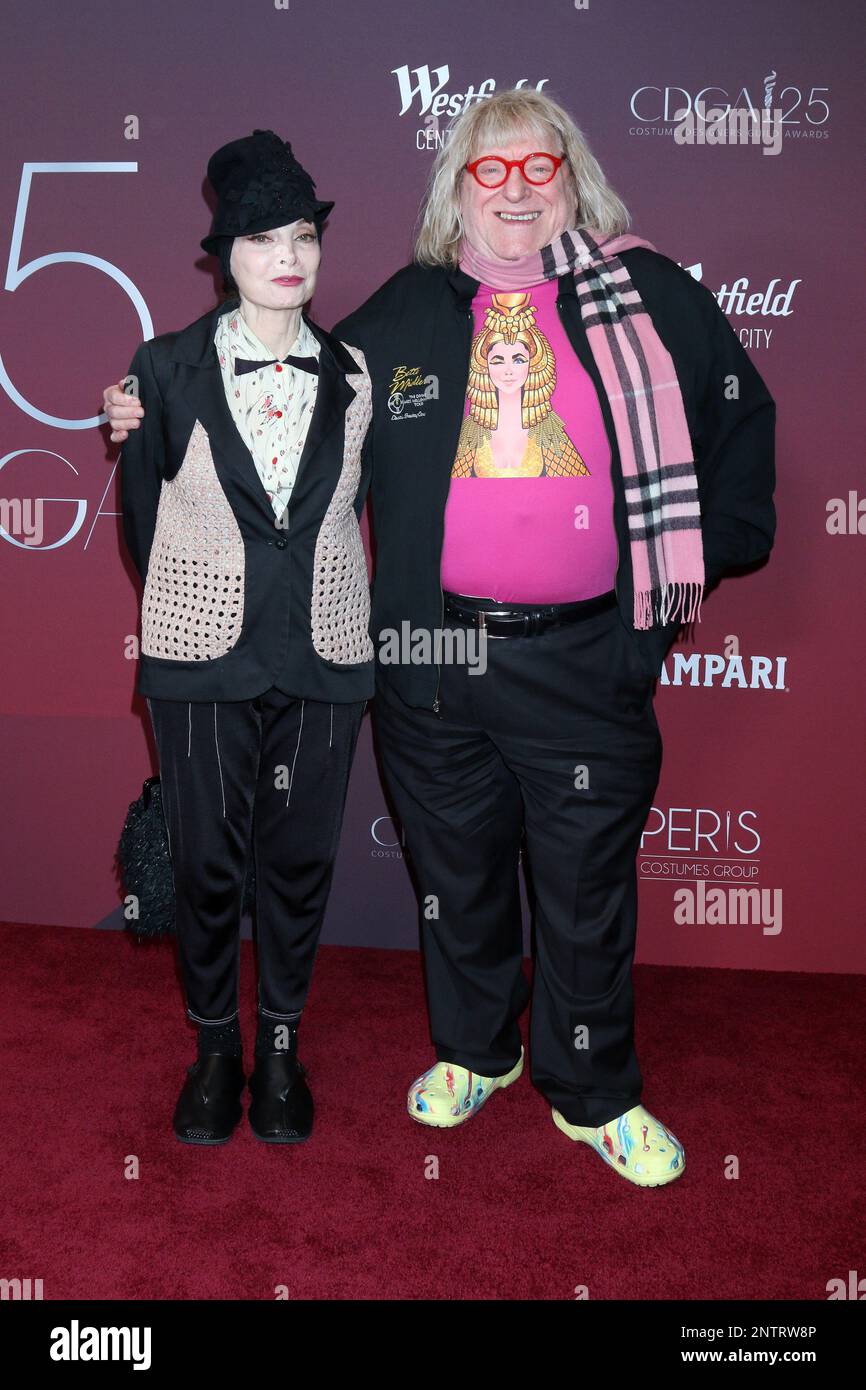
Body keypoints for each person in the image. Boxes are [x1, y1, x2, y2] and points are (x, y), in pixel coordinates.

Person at [105, 91, 776, 1187]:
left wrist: (688, 566)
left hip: (582, 658)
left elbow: (737, 414)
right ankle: (475, 1048)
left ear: (572, 174)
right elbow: (286, 386)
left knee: (582, 887)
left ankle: (593, 1086)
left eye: (535, 165)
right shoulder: (405, 312)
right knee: (453, 873)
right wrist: (145, 400)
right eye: (487, 169)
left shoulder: (645, 294)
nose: (514, 188)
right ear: (453, 186)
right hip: (426, 661)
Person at [113, 128, 374, 1146]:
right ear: (225, 254)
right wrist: (201, 598)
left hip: (322, 658)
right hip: (199, 658)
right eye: (263, 237)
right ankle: (213, 1047)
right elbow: (141, 519)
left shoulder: (354, 372)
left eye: (303, 235)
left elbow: (369, 509)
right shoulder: (163, 368)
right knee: (207, 866)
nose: (288, 256)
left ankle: (279, 1047)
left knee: (298, 863)